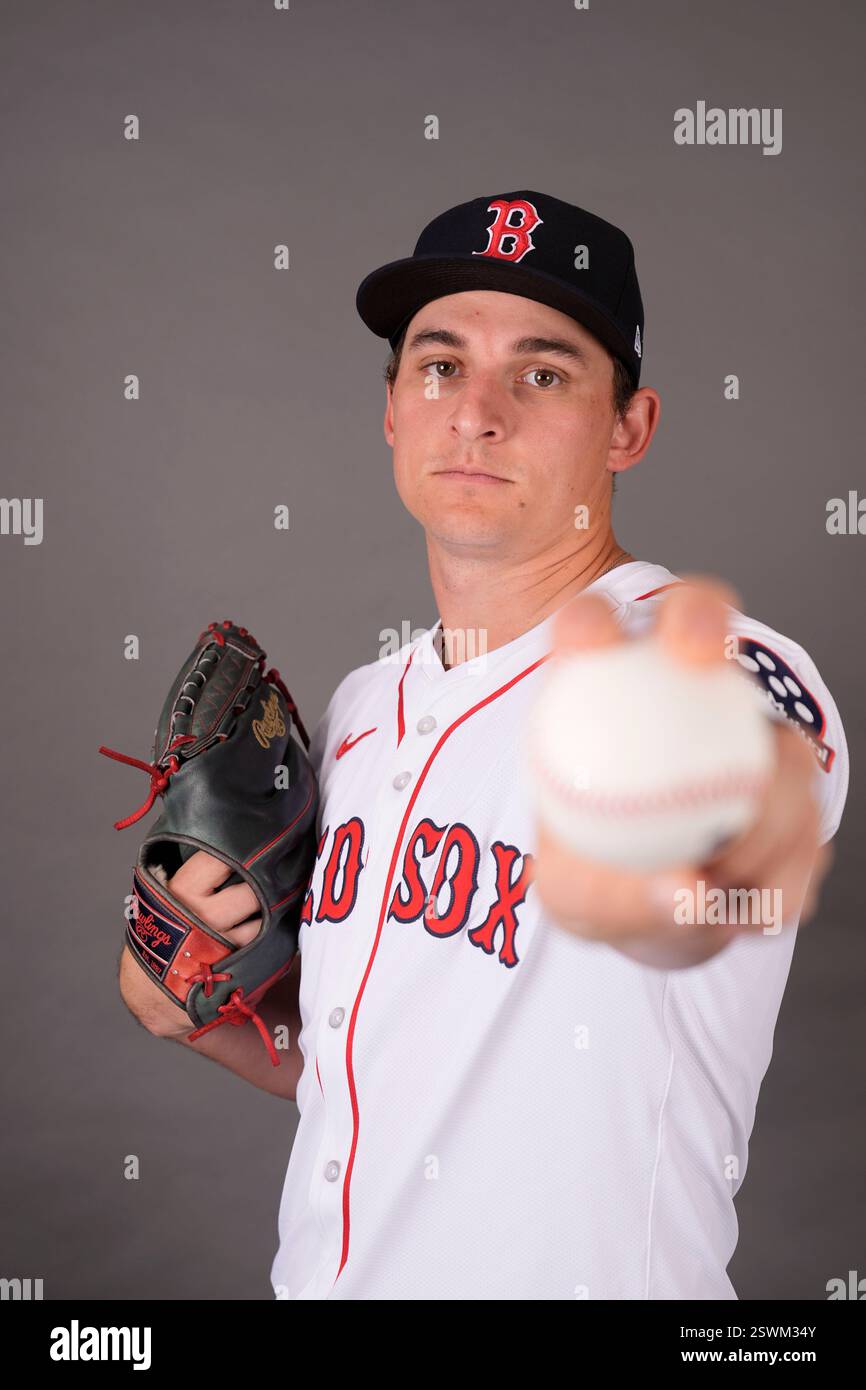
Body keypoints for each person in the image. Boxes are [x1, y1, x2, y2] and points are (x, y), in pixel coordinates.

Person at [120, 190, 848, 1299]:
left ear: (628, 427)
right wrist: (200, 1004)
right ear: (392, 412)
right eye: (439, 365)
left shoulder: (701, 663)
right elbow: (377, 1061)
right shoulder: (360, 708)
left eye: (543, 373)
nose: (477, 411)